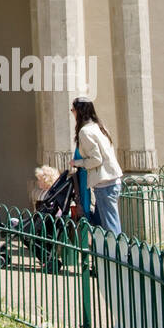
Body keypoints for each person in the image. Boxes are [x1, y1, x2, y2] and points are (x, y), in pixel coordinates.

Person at [70, 98, 123, 238]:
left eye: (73, 110)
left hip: (104, 183)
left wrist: (77, 163)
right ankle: (107, 254)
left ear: (79, 112)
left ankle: (117, 256)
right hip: (112, 180)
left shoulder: (85, 132)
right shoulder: (100, 126)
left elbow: (96, 159)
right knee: (101, 223)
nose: (72, 113)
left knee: (110, 226)